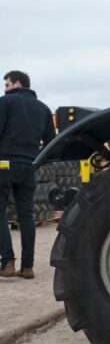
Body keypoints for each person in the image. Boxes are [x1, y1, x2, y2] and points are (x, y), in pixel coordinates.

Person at [0, 71, 55, 279]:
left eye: (7, 84)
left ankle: (7, 263)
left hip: (4, 164)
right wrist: (35, 161)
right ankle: (27, 267)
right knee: (27, 216)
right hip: (29, 166)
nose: (5, 89)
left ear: (17, 83)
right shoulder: (43, 109)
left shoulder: (5, 102)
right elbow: (50, 143)